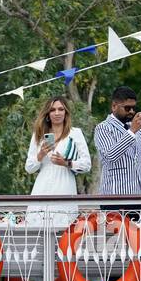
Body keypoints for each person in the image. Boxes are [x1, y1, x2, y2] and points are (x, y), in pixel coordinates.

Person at [25, 95, 91, 224]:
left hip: (65, 184)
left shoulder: (75, 133)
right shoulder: (38, 135)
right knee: (39, 229)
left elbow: (87, 165)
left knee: (64, 228)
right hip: (43, 186)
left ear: (66, 112)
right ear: (48, 114)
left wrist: (66, 163)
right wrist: (41, 154)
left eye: (61, 109)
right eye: (53, 110)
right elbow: (29, 168)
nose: (57, 113)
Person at [94, 86, 141, 209]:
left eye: (133, 108)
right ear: (114, 106)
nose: (131, 111)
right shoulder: (103, 128)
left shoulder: (135, 128)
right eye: (127, 108)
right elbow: (111, 155)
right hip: (115, 199)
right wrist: (132, 131)